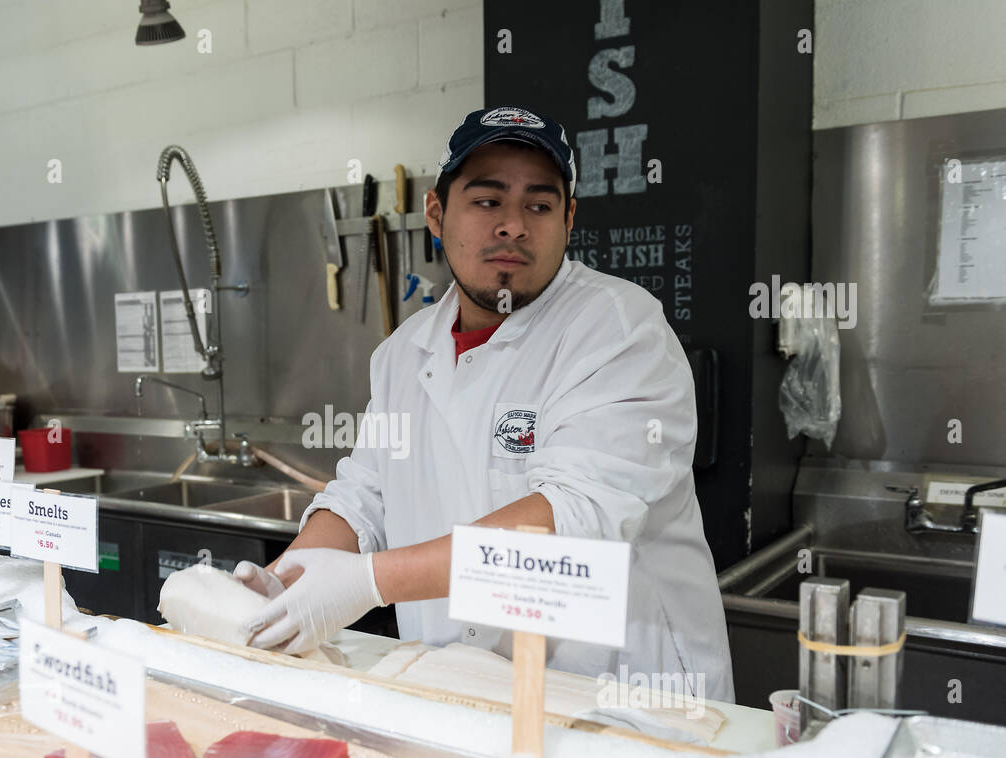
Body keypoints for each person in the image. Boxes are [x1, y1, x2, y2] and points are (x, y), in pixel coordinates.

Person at [235, 106, 734, 702]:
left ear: (569, 218)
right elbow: (363, 497)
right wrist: (281, 580)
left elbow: (571, 518)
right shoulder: (402, 354)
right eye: (488, 201)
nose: (514, 226)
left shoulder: (622, 332)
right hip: (455, 687)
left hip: (621, 697)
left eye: (540, 205)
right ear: (438, 215)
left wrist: (368, 583)